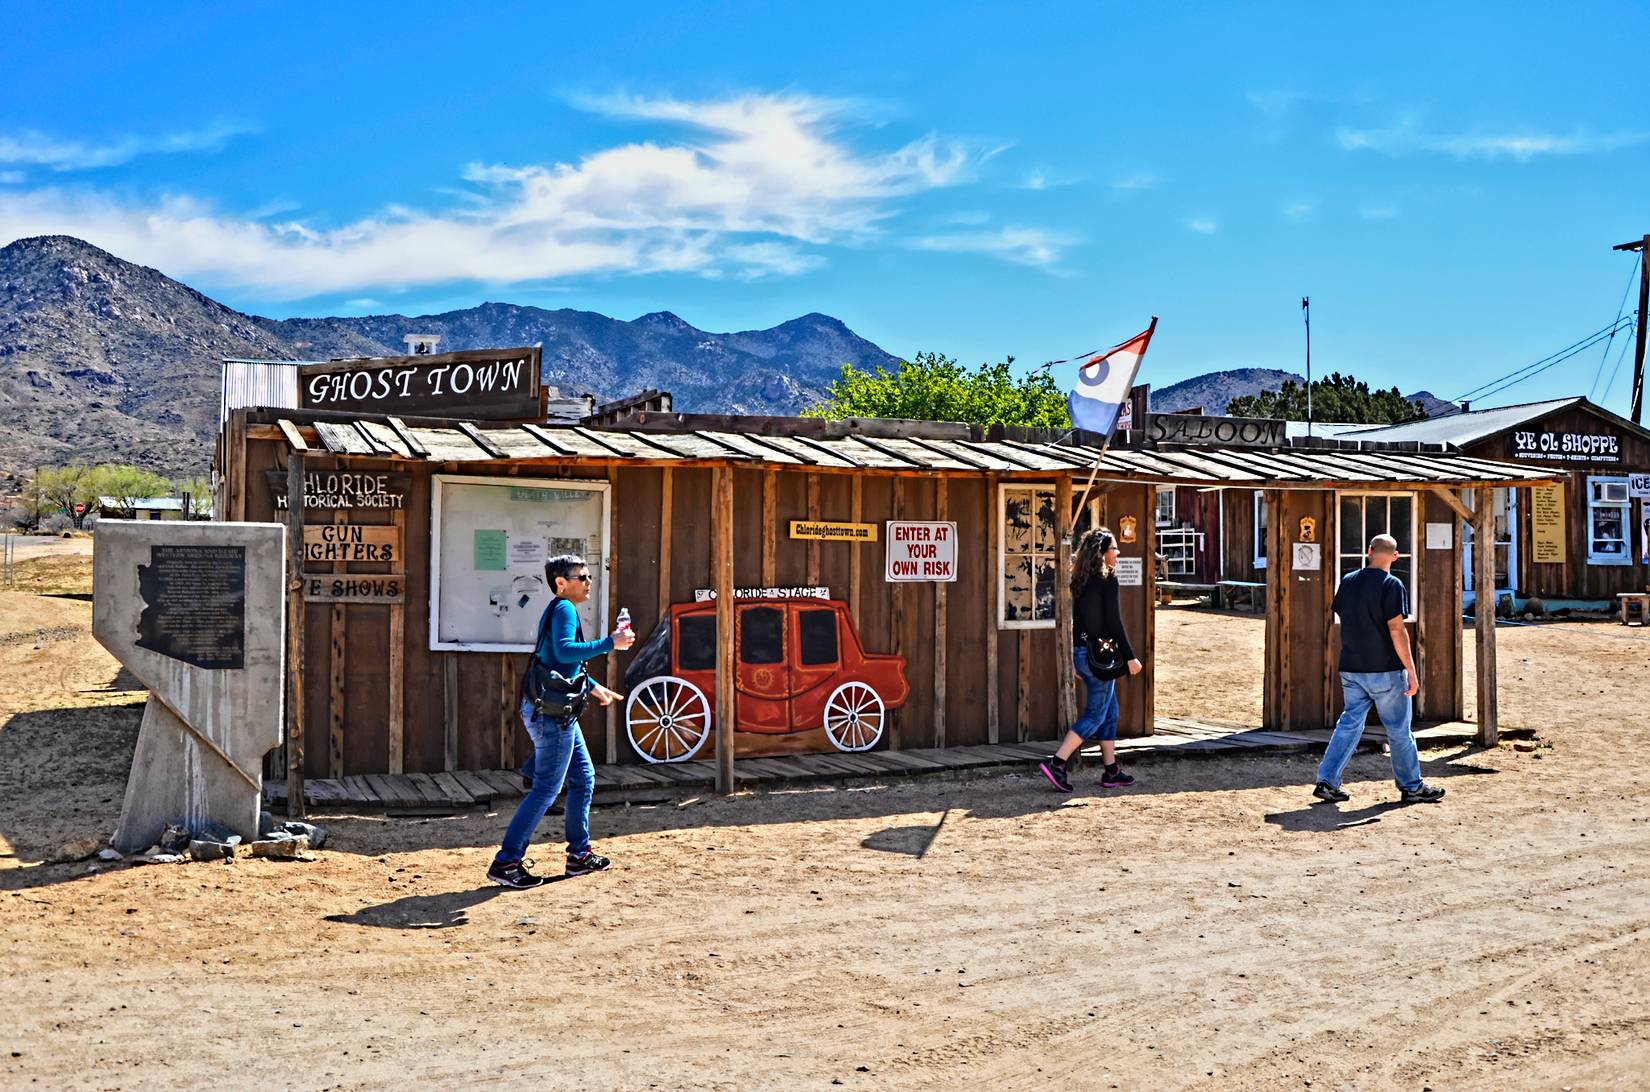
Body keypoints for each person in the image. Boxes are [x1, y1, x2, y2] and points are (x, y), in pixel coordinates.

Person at [487, 554, 634, 889]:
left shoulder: (560, 609)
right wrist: (612, 643)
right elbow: (567, 651)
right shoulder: (564, 608)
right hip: (552, 717)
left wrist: (595, 689)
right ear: (561, 583)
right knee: (547, 789)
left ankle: (579, 857)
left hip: (556, 712)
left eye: (588, 576)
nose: (588, 582)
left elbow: (555, 660)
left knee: (583, 779)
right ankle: (506, 862)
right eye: (581, 577)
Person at [1313, 534, 1445, 805]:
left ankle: (1327, 780)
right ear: (1395, 557)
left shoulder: (1348, 582)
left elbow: (1344, 617)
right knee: (1398, 730)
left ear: (1369, 551)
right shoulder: (1392, 585)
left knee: (1348, 724)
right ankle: (1412, 786)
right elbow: (1397, 630)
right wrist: (1411, 670)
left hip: (1351, 667)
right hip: (1385, 669)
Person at [1039, 528, 1144, 792]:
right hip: (1101, 658)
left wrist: (1076, 657)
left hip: (1084, 654)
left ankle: (1111, 771)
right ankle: (1058, 763)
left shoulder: (1081, 580)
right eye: (1114, 548)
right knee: (1096, 714)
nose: (1118, 553)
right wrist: (1130, 656)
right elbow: (1114, 622)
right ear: (1101, 553)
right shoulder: (1108, 580)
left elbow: (1078, 623)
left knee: (1110, 712)